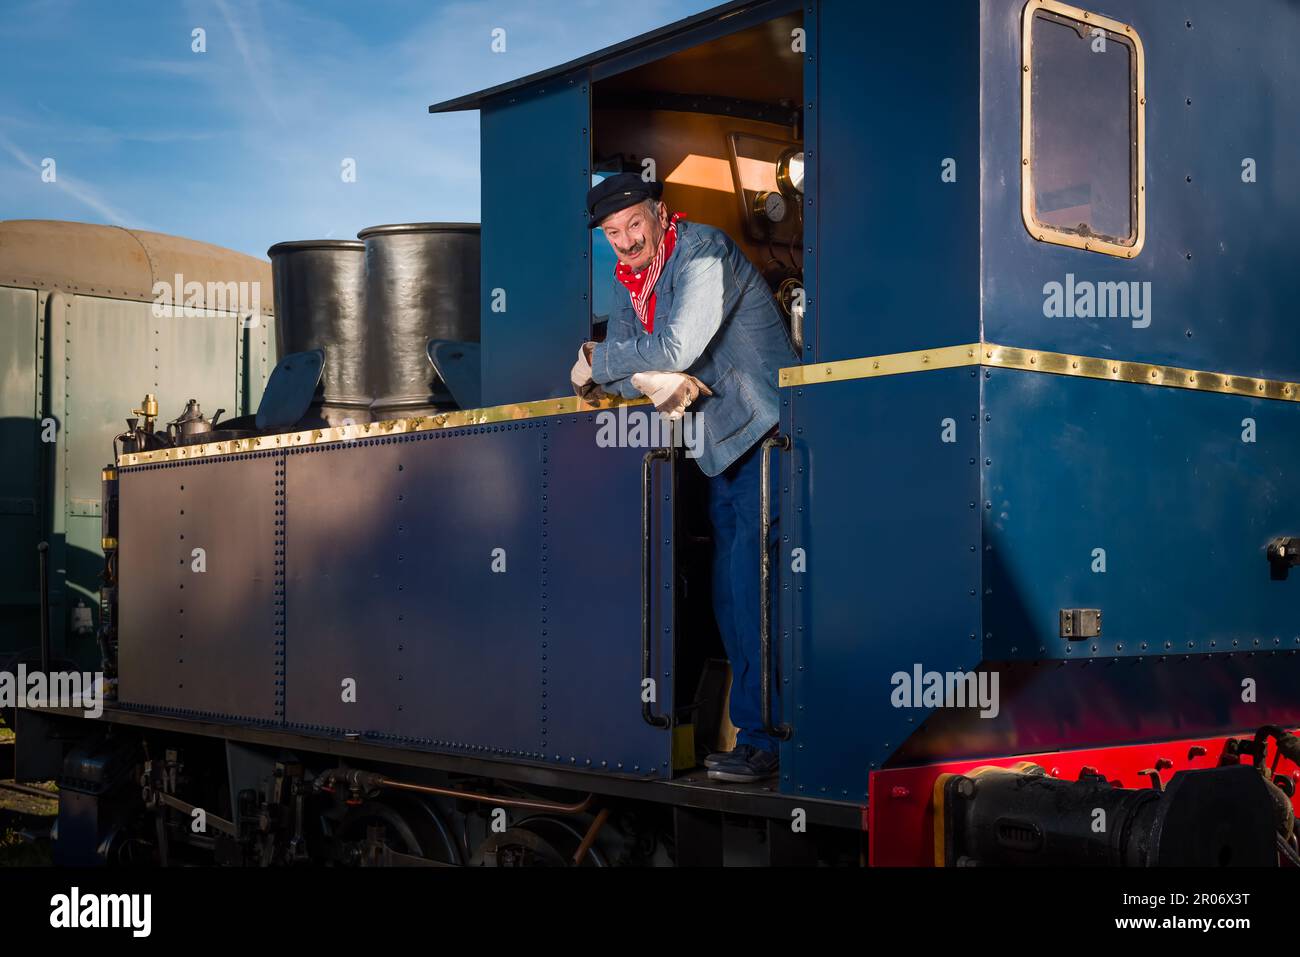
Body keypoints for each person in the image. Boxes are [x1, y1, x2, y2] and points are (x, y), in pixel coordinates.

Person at [570, 173, 798, 782]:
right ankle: (757, 736)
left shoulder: (703, 249)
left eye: (633, 225)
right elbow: (624, 374)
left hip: (770, 439)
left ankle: (769, 741)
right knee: (731, 592)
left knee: (757, 591)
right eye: (611, 233)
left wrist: (600, 358)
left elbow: (667, 349)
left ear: (658, 214)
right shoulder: (631, 284)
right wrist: (626, 368)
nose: (623, 240)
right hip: (721, 452)